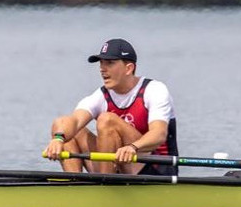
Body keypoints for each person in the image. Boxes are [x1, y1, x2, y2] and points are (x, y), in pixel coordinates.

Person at [41, 38, 177, 175]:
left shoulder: (154, 90)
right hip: (120, 165)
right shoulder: (101, 96)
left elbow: (159, 134)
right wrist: (58, 139)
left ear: (129, 68)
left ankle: (105, 182)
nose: (102, 69)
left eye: (110, 63)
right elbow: (74, 120)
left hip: (156, 168)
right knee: (64, 127)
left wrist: (133, 147)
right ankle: (73, 184)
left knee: (107, 120)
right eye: (101, 63)